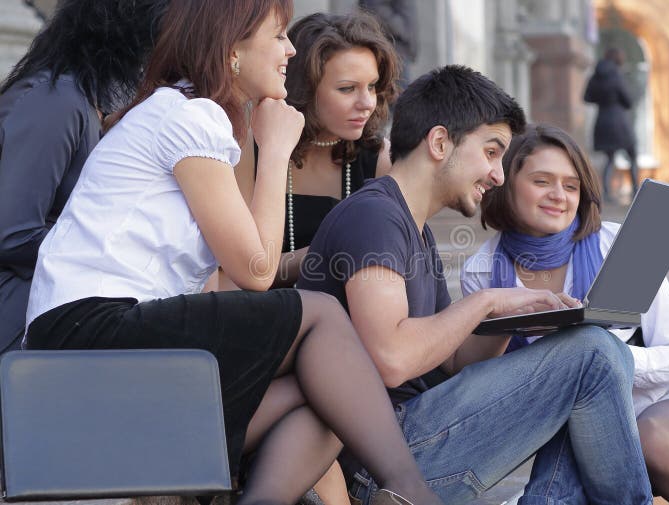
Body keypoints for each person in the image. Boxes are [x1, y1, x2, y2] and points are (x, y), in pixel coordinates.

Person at [22, 2, 442, 505]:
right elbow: (257, 271)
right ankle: (414, 492)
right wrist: (277, 149)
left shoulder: (186, 113)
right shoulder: (189, 114)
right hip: (88, 331)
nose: (290, 49)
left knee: (334, 391)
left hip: (117, 340)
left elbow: (222, 278)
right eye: (279, 35)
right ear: (232, 49)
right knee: (323, 315)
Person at [297, 65, 653, 505]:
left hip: (416, 432)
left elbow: (451, 362)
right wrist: (486, 301)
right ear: (440, 142)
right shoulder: (374, 217)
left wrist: (513, 317)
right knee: (595, 355)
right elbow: (390, 357)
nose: (498, 175)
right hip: (384, 461)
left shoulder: (415, 227)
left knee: (595, 350)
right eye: (491, 152)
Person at [462, 123, 669, 505]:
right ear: (507, 184)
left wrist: (601, 357)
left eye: (571, 186)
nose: (558, 196)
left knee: (651, 437)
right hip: (579, 435)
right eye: (542, 181)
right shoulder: (483, 272)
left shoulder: (620, 244)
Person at [0, 0, 168, 355]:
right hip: (19, 315)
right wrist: (112, 248)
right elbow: (11, 231)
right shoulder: (57, 100)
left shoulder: (86, 101)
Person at [273, 10, 399, 287]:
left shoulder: (380, 159)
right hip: (261, 320)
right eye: (347, 89)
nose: (367, 102)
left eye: (373, 86)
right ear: (303, 88)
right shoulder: (255, 151)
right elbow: (235, 272)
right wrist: (335, 249)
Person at [584, 47, 639, 201]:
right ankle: (636, 190)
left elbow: (587, 98)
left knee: (609, 158)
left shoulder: (595, 76)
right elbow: (628, 101)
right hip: (619, 120)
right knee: (632, 154)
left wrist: (603, 100)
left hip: (602, 119)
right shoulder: (617, 75)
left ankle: (607, 192)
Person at [358, 0, 417, 87]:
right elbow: (374, 7)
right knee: (396, 93)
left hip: (402, 48)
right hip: (391, 46)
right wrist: (401, 28)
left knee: (401, 92)